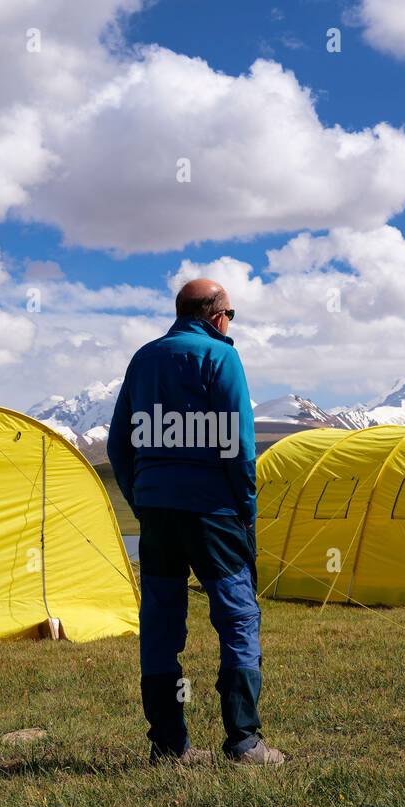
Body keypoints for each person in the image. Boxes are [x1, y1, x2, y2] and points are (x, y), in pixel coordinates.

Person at [108, 278, 286, 766]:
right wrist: (244, 510)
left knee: (161, 623)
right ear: (216, 316)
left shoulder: (143, 359)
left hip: (159, 516)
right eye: (232, 314)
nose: (231, 323)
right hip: (216, 515)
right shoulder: (221, 357)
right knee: (236, 618)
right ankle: (244, 742)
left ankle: (167, 747)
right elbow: (238, 445)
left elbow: (118, 445)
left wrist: (142, 499)